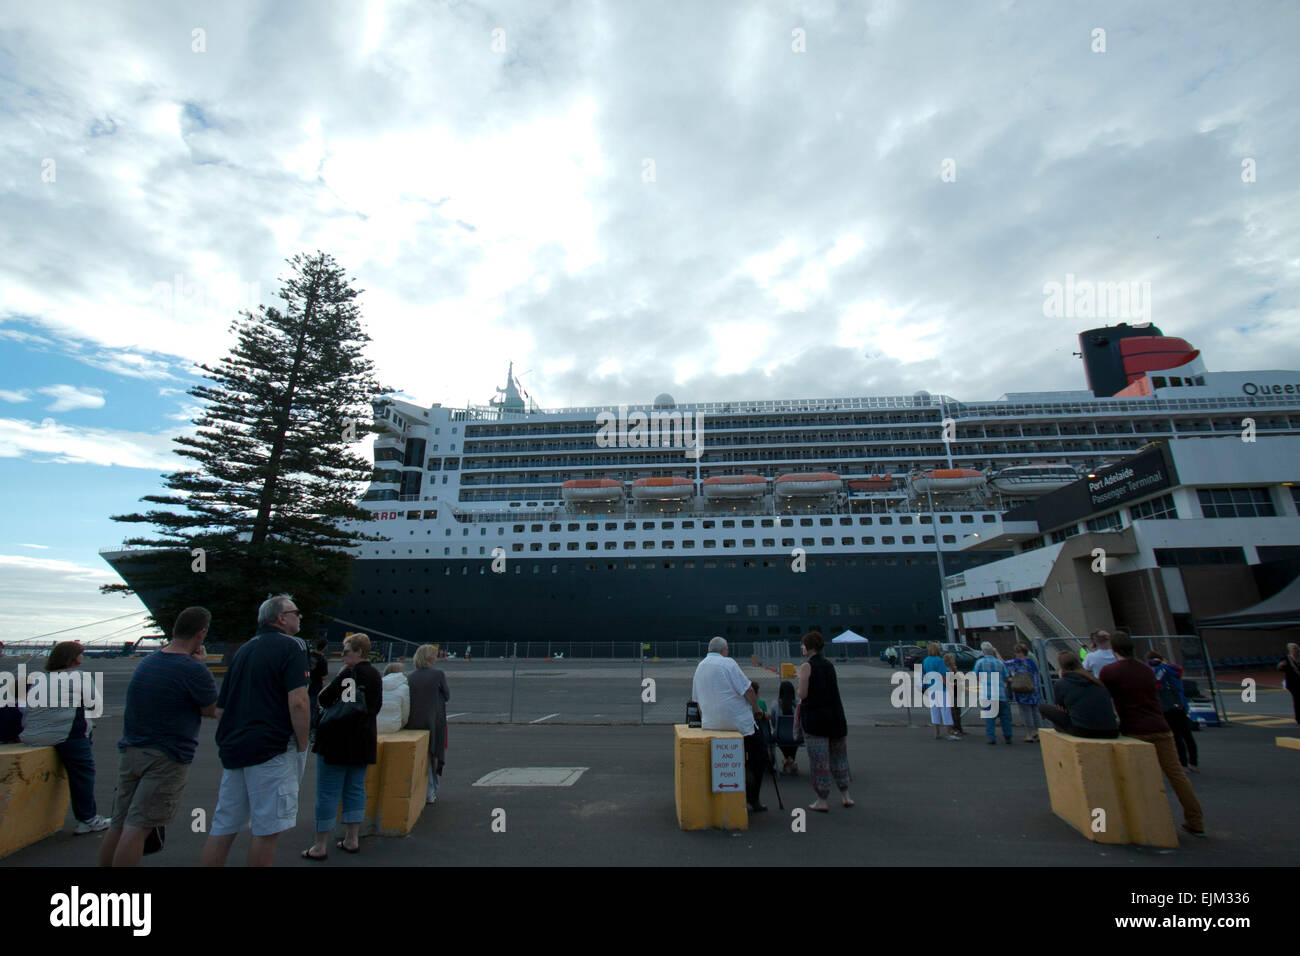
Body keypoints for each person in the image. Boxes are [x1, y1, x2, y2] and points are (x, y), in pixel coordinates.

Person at [98, 607, 219, 867]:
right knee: (139, 827)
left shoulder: (149, 661)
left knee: (119, 823)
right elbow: (210, 710)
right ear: (201, 634)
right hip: (167, 756)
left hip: (131, 751)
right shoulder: (193, 670)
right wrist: (201, 666)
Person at [199, 594, 311, 867]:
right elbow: (298, 701)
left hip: (235, 749)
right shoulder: (293, 646)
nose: (301, 617)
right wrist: (302, 743)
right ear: (281, 618)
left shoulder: (244, 650)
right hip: (271, 750)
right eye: (296, 612)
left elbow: (221, 708)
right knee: (266, 830)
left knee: (223, 825)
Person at [1100, 631, 1205, 837]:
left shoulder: (1110, 671)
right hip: (1160, 726)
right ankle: (1196, 819)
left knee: (1135, 777)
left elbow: (1104, 697)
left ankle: (1145, 821)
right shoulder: (1146, 670)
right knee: (1176, 775)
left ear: (1113, 650)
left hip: (1133, 728)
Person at [303, 633, 382, 859]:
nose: (342, 654)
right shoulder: (375, 675)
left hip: (337, 742)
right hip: (363, 741)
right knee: (355, 789)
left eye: (347, 650)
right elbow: (375, 707)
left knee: (328, 793)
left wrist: (340, 679)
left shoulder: (350, 674)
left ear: (359, 652)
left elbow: (327, 700)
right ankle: (352, 838)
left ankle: (319, 846)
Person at [19, 641, 109, 833]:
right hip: (66, 737)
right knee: (83, 774)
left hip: (32, 735)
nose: (82, 657)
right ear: (72, 658)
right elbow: (94, 705)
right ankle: (88, 819)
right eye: (80, 654)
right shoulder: (81, 677)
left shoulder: (40, 678)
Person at [691, 637, 764, 812]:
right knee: (758, 756)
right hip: (738, 724)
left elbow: (698, 703)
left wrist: (707, 721)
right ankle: (753, 799)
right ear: (724, 649)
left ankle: (716, 797)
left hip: (710, 724)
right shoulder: (728, 663)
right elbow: (748, 689)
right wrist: (757, 710)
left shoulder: (699, 667)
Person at [797, 631, 852, 811]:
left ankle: (822, 800)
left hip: (816, 720)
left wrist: (799, 687)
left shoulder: (807, 666)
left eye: (803, 644)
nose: (801, 647)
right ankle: (846, 796)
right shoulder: (829, 665)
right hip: (836, 718)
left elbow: (803, 694)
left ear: (808, 647)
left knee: (820, 762)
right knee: (840, 759)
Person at [406, 644, 451, 804]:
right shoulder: (438, 674)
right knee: (433, 754)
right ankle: (430, 792)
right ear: (429, 658)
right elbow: (447, 695)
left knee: (419, 756)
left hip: (413, 720)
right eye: (434, 655)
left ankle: (417, 790)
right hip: (433, 719)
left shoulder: (410, 676)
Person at [1037, 652, 1119, 738]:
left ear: (1061, 668)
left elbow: (1060, 708)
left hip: (1083, 730)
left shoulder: (1062, 683)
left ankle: (1057, 728)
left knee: (1043, 707)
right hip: (1111, 730)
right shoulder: (1095, 681)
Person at [1147, 651, 1197, 772]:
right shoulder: (1173, 668)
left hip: (1166, 706)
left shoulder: (1154, 670)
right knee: (1187, 734)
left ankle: (1183, 763)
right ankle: (1193, 762)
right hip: (1180, 703)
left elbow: (1157, 686)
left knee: (1176, 735)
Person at [972, 642, 1013, 745]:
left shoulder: (980, 663)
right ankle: (1008, 735)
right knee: (1005, 716)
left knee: (989, 717)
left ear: (983, 652)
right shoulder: (1000, 663)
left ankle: (991, 737)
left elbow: (975, 676)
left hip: (987, 693)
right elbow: (1006, 677)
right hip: (1000, 693)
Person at [1006, 642, 1043, 742]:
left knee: (1026, 713)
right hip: (1034, 690)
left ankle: (1029, 734)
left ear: (1020, 652)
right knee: (1035, 712)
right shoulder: (1032, 662)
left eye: (1017, 652)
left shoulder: (1017, 662)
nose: (1016, 654)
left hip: (1023, 691)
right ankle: (1039, 732)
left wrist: (996, 652)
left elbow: (1004, 664)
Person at [921, 642, 955, 740]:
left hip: (931, 688)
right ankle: (949, 733)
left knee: (934, 710)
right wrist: (949, 687)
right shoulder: (939, 660)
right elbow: (943, 675)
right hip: (941, 689)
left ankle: (936, 732)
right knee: (946, 710)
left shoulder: (926, 660)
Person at [772, 680, 800, 774]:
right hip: (796, 736)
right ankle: (791, 760)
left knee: (778, 737)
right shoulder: (797, 705)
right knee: (794, 737)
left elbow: (773, 722)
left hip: (780, 735)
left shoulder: (775, 704)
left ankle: (787, 760)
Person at [377, 662, 410, 735]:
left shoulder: (378, 685)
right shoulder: (404, 688)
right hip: (394, 726)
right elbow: (405, 714)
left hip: (376, 725)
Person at [308, 638, 329, 734]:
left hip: (306, 684)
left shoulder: (309, 656)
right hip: (316, 686)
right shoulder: (323, 660)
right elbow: (324, 677)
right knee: (314, 708)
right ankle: (312, 728)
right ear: (324, 647)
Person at [942, 653, 965, 738]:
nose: (954, 660)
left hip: (957, 691)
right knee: (954, 711)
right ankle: (955, 728)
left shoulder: (953, 669)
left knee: (957, 711)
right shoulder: (948, 669)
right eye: (952, 658)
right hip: (952, 692)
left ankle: (959, 728)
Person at [1278, 643, 1300, 725]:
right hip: (1293, 683)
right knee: (1297, 700)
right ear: (1290, 650)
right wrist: (1281, 666)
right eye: (1293, 648)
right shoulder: (1286, 659)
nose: (1295, 649)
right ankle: (1298, 718)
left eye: (1296, 648)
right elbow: (1280, 668)